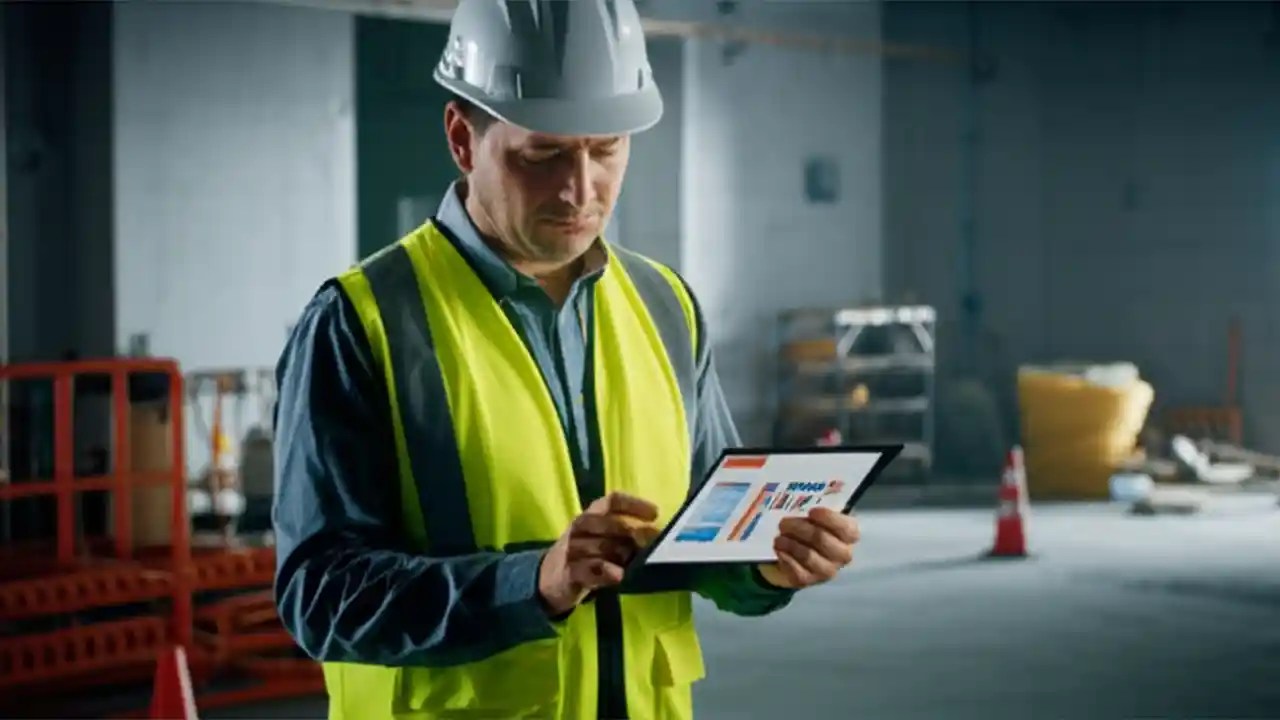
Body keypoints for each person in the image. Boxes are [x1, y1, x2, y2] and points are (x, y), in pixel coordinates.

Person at [271, 1, 862, 718]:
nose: (580, 189)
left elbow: (709, 542)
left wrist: (769, 567)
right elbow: (319, 595)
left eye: (606, 148)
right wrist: (534, 582)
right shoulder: (361, 323)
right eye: (542, 154)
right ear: (463, 138)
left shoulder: (666, 307)